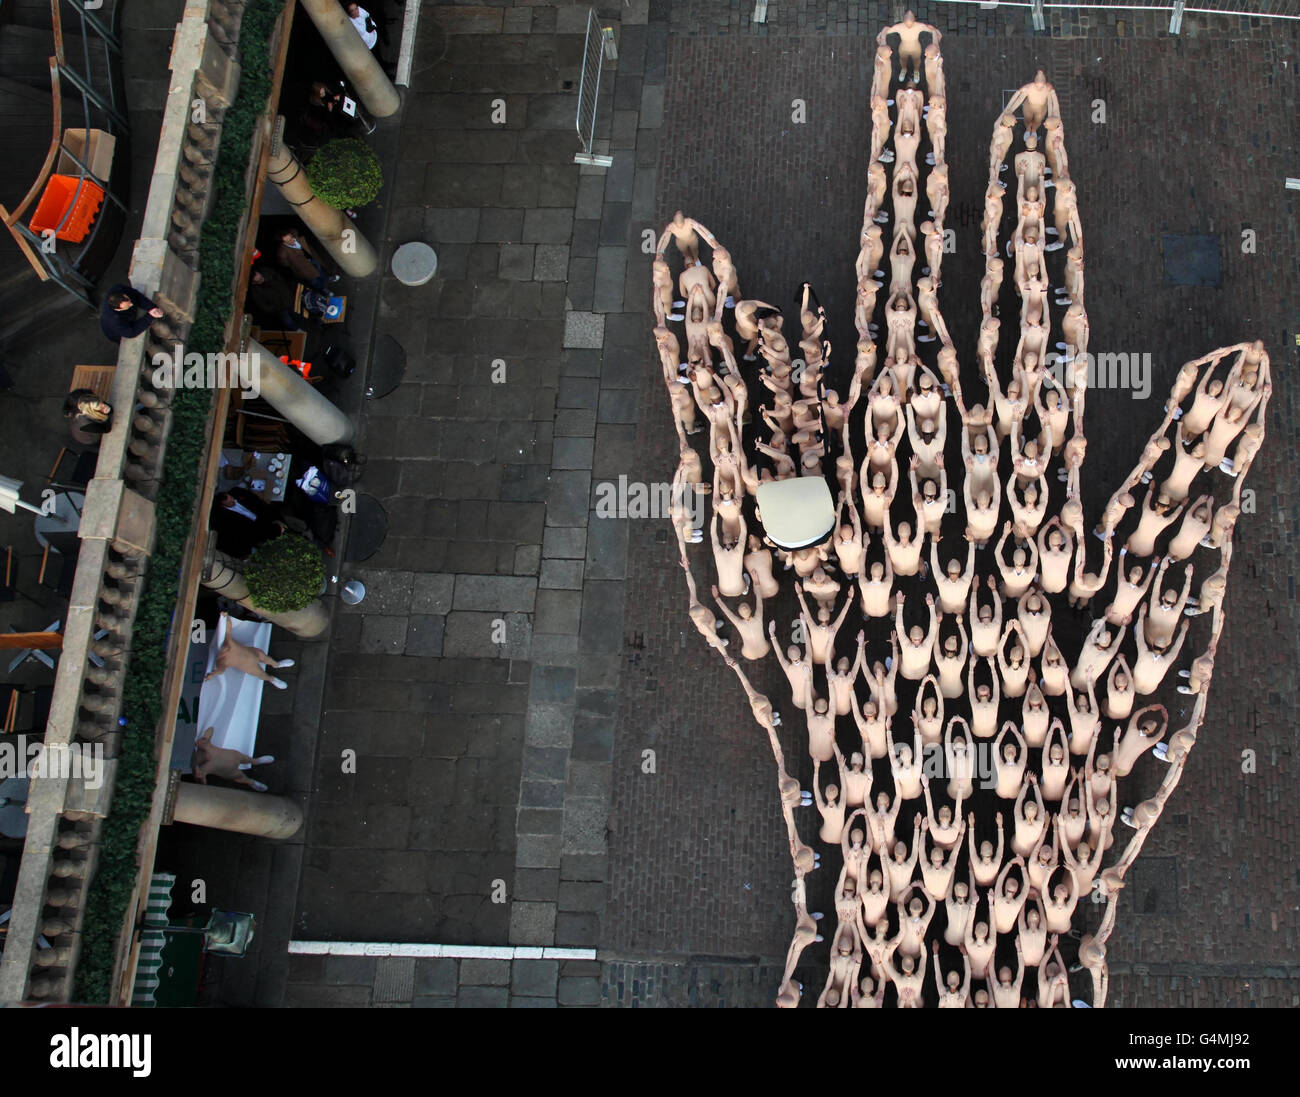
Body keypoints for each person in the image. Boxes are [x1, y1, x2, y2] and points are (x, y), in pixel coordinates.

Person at [192, 726, 276, 791]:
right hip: (229, 772)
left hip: (235, 756)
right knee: (240, 777)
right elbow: (202, 784)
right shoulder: (203, 769)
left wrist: (205, 738)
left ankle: (257, 761)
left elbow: (211, 729)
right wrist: (200, 778)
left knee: (248, 759)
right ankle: (251, 782)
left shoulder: (204, 745)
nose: (206, 756)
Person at [211, 486, 286, 558]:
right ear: (223, 505)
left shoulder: (237, 492)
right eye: (230, 503)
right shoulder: (226, 517)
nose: (233, 501)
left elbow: (256, 500)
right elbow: (247, 529)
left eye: (232, 498)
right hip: (255, 528)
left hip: (264, 516)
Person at [246, 264, 300, 331]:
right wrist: (276, 308)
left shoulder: (267, 272)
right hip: (281, 309)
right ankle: (298, 330)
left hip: (288, 298)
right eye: (259, 280)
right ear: (254, 283)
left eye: (261, 277)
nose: (262, 279)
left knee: (297, 312)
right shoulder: (256, 292)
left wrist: (287, 290)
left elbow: (280, 278)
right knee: (288, 322)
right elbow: (264, 306)